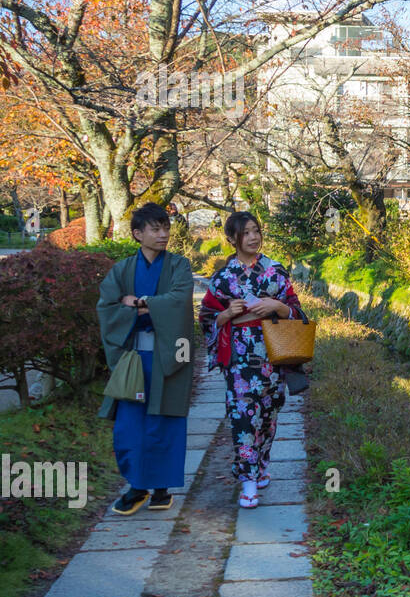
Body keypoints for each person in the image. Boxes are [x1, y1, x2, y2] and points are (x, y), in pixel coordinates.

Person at [198, 212, 304, 509]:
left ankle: (262, 463)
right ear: (232, 239)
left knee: (269, 417)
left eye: (256, 231)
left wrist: (278, 306)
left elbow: (297, 313)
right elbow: (207, 318)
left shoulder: (276, 271)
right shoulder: (221, 278)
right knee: (243, 417)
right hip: (240, 359)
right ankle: (247, 480)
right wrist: (228, 314)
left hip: (273, 354)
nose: (254, 237)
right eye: (246, 233)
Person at [95, 203, 195, 514]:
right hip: (133, 357)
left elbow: (179, 299)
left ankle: (162, 489)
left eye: (166, 227)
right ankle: (137, 486)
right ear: (138, 234)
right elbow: (107, 306)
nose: (163, 234)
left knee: (164, 420)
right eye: (155, 229)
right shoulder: (122, 269)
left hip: (169, 355)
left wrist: (140, 302)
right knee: (130, 425)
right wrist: (137, 308)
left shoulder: (179, 265)